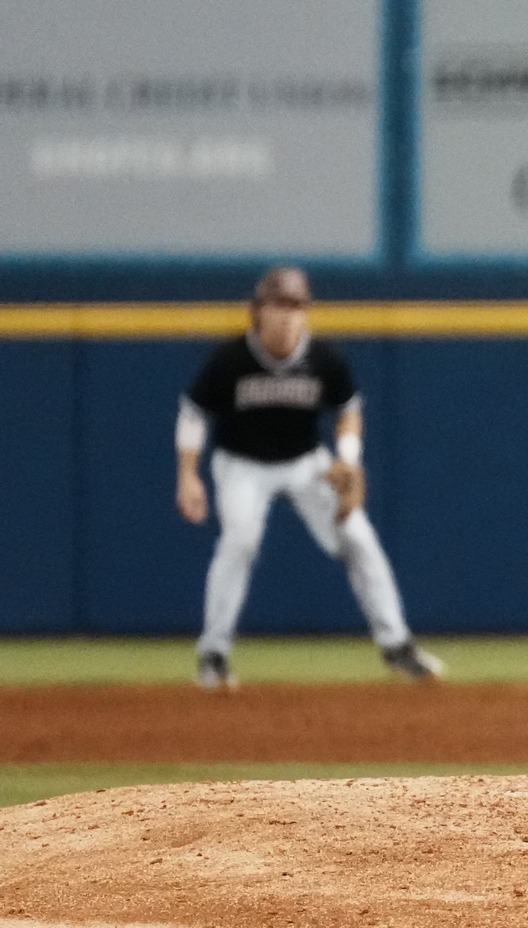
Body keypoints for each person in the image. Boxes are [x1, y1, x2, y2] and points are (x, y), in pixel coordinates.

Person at [174, 266, 443, 690]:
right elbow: (193, 413)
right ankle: (213, 654)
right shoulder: (231, 360)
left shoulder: (323, 359)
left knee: (358, 538)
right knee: (240, 539)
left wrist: (349, 459)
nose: (288, 316)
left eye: (297, 306)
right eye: (279, 305)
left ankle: (398, 647)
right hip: (242, 464)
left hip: (304, 462)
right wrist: (188, 475)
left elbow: (349, 409)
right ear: (258, 311)